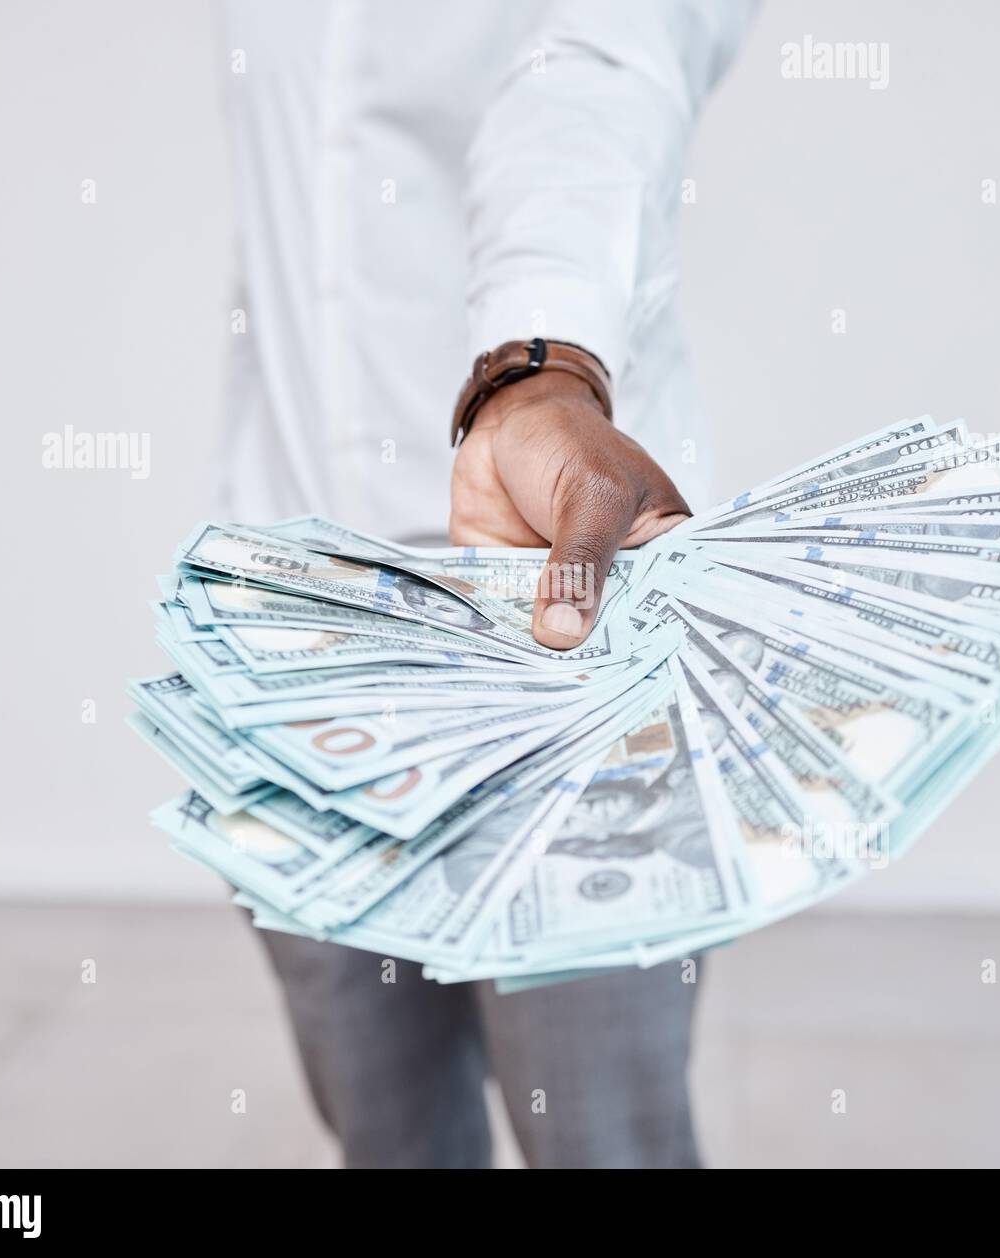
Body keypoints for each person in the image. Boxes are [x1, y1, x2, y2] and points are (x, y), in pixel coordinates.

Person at [217, 0, 757, 1168]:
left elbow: (599, 71)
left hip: (561, 618)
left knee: (605, 1141)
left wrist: (538, 362)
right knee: (385, 1136)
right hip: (296, 632)